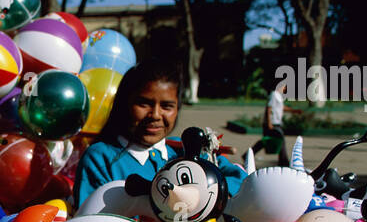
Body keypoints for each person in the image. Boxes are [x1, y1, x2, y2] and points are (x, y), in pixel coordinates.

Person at [72, 61, 245, 210]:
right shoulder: (100, 158)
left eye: (167, 106)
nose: (155, 115)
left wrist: (204, 194)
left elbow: (243, 183)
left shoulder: (185, 149)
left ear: (178, 109)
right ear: (124, 103)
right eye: (144, 104)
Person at [252, 73, 294, 167]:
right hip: (272, 123)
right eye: (284, 86)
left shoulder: (278, 96)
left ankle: (248, 154)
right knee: (280, 140)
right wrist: (269, 123)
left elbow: (281, 108)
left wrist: (294, 111)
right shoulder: (273, 94)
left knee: (265, 141)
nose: (285, 88)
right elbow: (269, 108)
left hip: (276, 123)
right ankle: (284, 162)